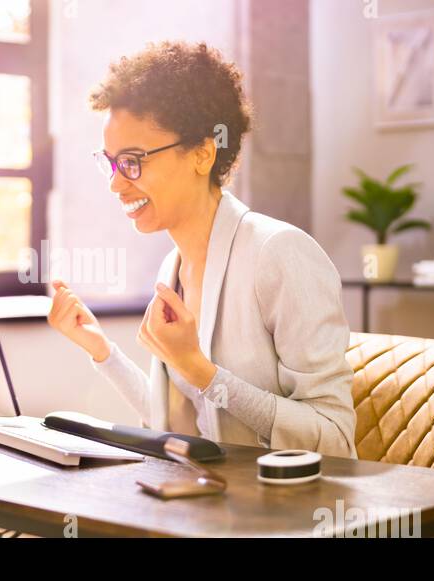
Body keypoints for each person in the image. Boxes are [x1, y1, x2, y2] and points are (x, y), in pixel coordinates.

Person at [47, 41, 357, 457]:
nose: (116, 183)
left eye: (133, 161)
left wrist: (202, 372)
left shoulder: (279, 253)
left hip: (294, 514)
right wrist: (102, 352)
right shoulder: (171, 269)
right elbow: (183, 429)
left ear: (202, 154)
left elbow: (333, 438)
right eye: (111, 162)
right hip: (212, 508)